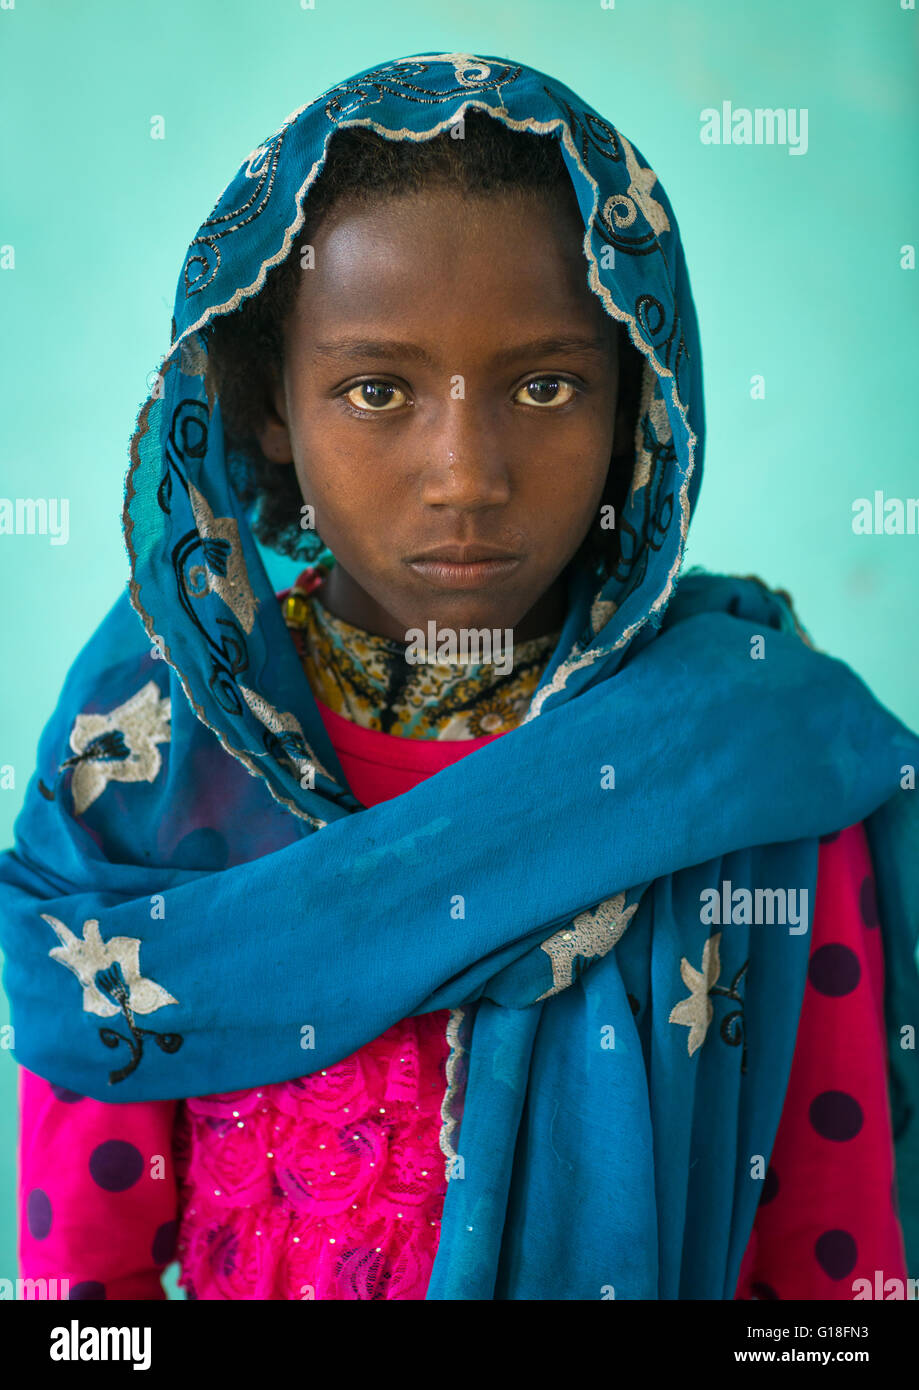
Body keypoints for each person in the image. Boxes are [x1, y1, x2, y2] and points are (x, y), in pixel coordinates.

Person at [2, 52, 918, 1302]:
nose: (465, 471)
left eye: (545, 385)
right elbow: (80, 1302)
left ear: (636, 404)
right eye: (375, 389)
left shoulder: (749, 764)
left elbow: (837, 1278)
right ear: (269, 404)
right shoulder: (154, 764)